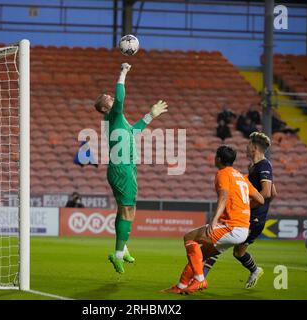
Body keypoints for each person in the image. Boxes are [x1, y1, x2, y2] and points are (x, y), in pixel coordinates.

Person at [94, 62, 168, 274]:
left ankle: (122, 248)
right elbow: (120, 97)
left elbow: (134, 131)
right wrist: (123, 72)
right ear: (104, 108)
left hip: (124, 168)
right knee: (128, 211)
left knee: (127, 210)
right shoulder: (113, 115)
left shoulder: (118, 121)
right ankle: (118, 255)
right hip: (122, 169)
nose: (111, 96)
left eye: (110, 95)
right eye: (107, 98)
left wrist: (151, 114)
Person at [161, 145, 264, 294]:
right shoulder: (241, 176)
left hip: (231, 227)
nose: (214, 158)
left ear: (219, 159)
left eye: (216, 156)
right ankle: (181, 286)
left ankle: (199, 279)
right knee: (200, 255)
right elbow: (260, 199)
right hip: (241, 229)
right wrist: (244, 208)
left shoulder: (223, 173)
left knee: (189, 238)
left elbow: (223, 196)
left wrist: (214, 219)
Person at [203, 132, 277, 289]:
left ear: (255, 148)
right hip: (248, 217)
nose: (246, 147)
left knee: (216, 247)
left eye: (249, 144)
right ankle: (255, 270)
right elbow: (273, 192)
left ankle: (198, 279)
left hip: (253, 218)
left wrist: (248, 207)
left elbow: (267, 193)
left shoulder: (264, 165)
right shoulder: (255, 167)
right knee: (238, 253)